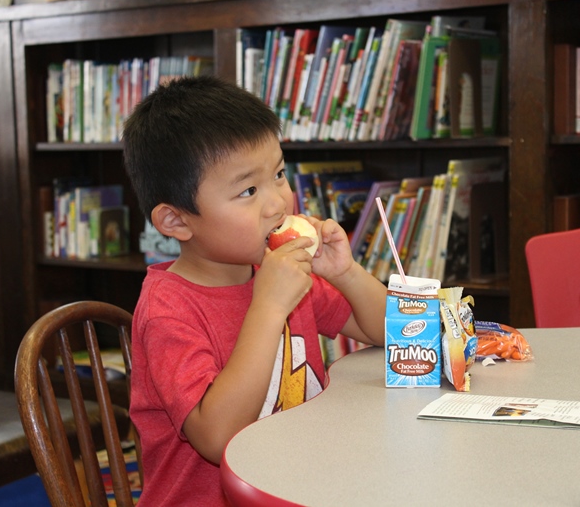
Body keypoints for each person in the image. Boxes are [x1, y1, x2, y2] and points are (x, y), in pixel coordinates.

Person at [122, 75, 387, 506]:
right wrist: (267, 306)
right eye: (248, 190)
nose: (278, 203)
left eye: (279, 174)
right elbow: (216, 435)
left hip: (299, 486)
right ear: (176, 222)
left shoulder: (280, 272)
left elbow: (391, 333)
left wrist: (345, 273)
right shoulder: (167, 309)